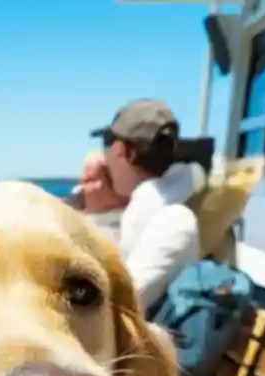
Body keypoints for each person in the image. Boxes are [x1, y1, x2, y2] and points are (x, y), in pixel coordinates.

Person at [82, 99, 207, 317]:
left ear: (123, 151)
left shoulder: (174, 220)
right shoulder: (154, 208)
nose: (105, 159)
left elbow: (116, 306)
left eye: (107, 146)